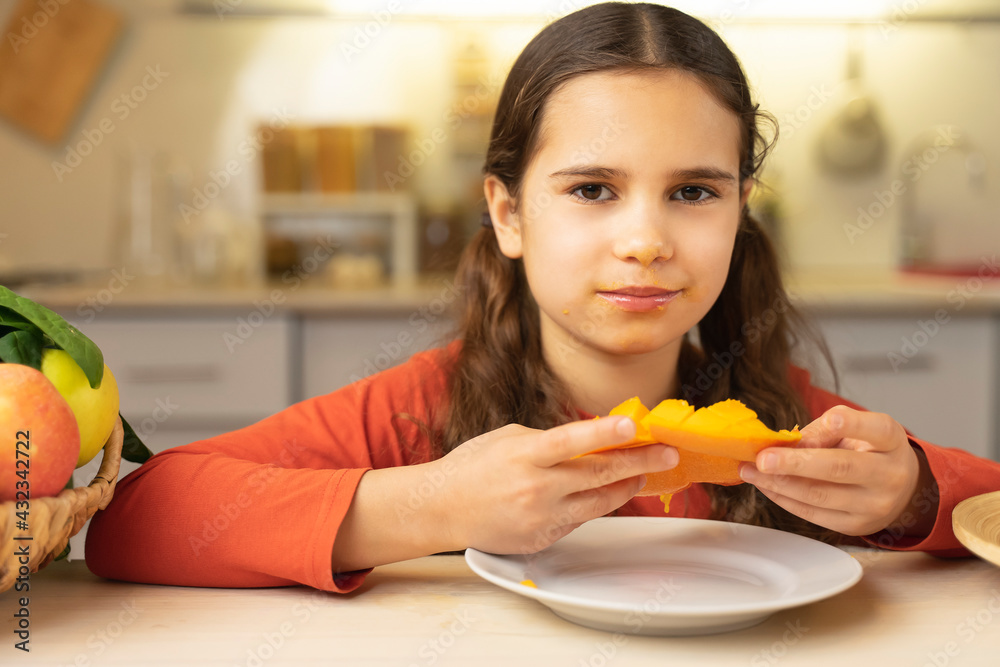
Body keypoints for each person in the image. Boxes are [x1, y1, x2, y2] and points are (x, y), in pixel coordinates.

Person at [86, 2, 1000, 592]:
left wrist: (911, 494)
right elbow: (136, 520)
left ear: (739, 212)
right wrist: (433, 506)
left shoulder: (784, 422)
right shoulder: (417, 412)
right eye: (593, 189)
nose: (645, 238)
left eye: (693, 191)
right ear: (508, 212)